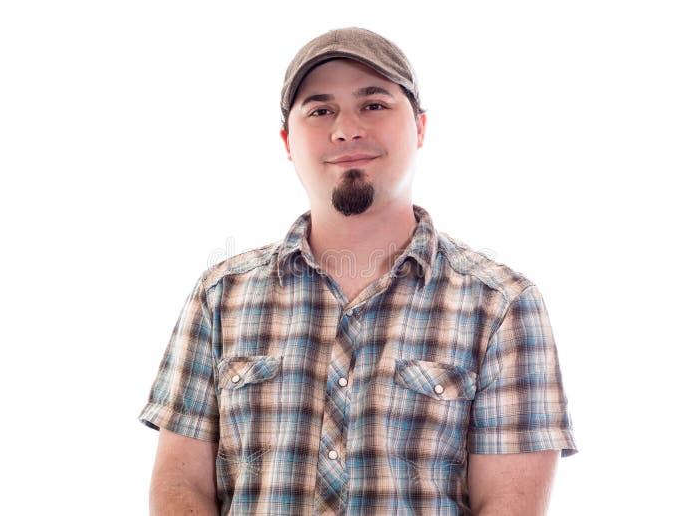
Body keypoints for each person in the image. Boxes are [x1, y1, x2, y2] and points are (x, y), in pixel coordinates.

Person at [139, 27, 577, 515]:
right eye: (320, 111)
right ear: (287, 141)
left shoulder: (502, 307)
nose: (346, 129)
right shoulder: (220, 296)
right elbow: (180, 487)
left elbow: (508, 505)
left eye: (373, 104)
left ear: (420, 128)